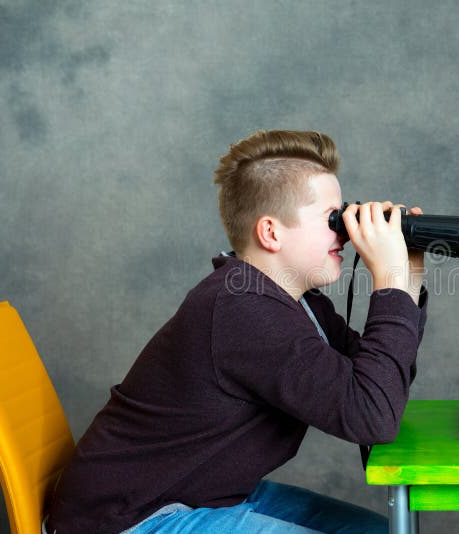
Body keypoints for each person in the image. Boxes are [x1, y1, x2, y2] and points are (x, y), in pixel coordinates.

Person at [44, 130, 428, 533]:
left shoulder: (290, 301)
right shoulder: (242, 309)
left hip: (199, 496)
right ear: (271, 233)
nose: (346, 232)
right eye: (333, 217)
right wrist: (389, 281)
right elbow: (372, 415)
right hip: (128, 518)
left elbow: (380, 380)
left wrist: (407, 279)